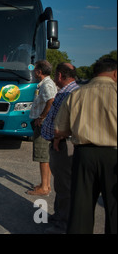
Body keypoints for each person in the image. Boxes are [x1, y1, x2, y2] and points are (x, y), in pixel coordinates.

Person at [54, 58, 117, 234]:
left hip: (84, 155)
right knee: (114, 207)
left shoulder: (77, 94)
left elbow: (59, 129)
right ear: (115, 73)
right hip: (114, 156)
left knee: (80, 207)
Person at [41, 63, 79, 233]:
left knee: (65, 186)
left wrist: (58, 137)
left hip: (62, 145)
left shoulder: (70, 93)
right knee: (61, 184)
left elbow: (70, 121)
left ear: (60, 76)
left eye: (56, 75)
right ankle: (59, 215)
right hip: (58, 143)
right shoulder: (66, 91)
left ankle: (63, 223)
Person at [26, 60, 57, 196]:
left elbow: (51, 100)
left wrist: (41, 117)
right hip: (44, 123)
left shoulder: (47, 85)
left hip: (43, 124)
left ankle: (44, 188)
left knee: (42, 155)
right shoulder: (45, 84)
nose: (33, 71)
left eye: (35, 69)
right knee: (45, 156)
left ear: (39, 71)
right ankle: (46, 184)